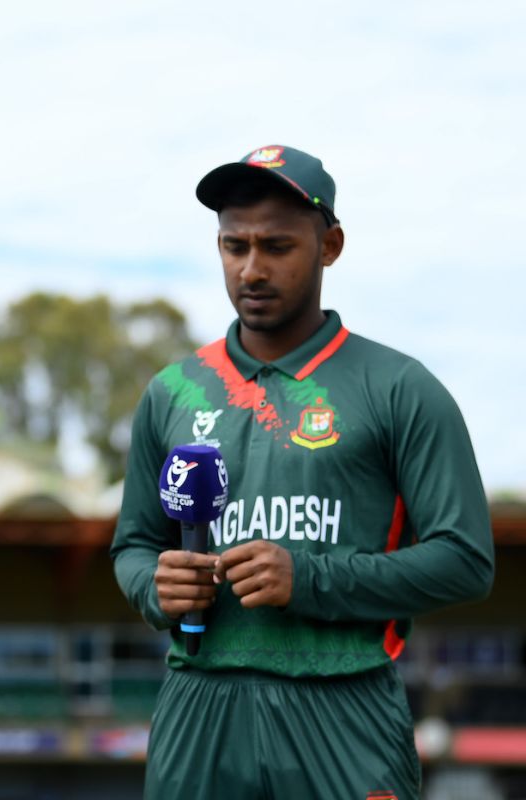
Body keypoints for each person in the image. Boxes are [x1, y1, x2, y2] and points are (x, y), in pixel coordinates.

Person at [110, 145, 494, 800]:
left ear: (330, 246)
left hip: (343, 704)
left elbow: (465, 560)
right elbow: (133, 545)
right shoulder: (174, 391)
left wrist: (310, 577)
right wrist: (155, 585)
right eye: (234, 247)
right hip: (199, 705)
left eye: (277, 247)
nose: (251, 270)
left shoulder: (399, 388)